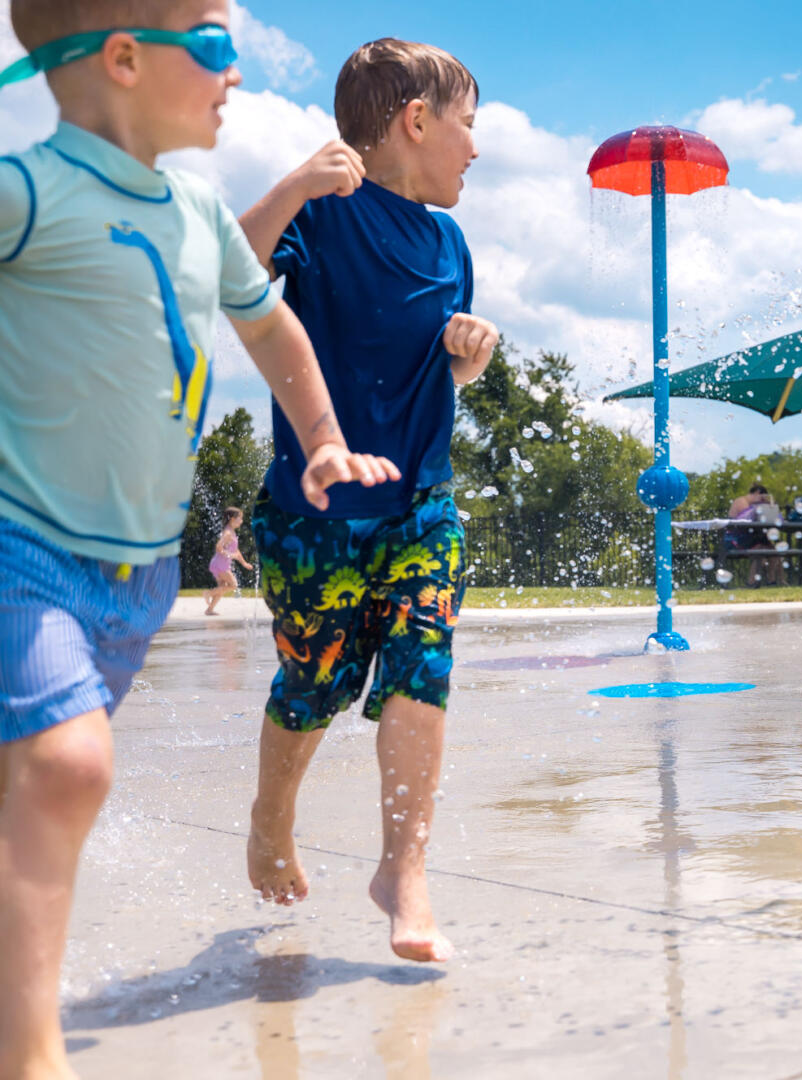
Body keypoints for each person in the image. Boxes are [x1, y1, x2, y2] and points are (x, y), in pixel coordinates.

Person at [0, 2, 396, 1075]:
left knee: (39, 783)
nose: (236, 71)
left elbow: (271, 329)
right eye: (216, 45)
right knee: (66, 768)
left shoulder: (201, 212)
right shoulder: (26, 193)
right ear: (122, 59)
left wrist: (321, 440)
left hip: (136, 577)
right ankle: (29, 1051)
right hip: (21, 547)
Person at [235, 38, 498, 964]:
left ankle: (406, 868)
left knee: (422, 663)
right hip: (311, 516)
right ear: (415, 121)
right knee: (316, 683)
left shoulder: (450, 241)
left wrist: (466, 357)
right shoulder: (326, 214)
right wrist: (293, 187)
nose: (475, 148)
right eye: (467, 125)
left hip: (421, 504)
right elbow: (228, 272)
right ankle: (271, 817)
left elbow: (431, 378)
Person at [726, 483, 788, 587]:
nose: (762, 502)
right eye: (762, 499)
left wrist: (771, 509)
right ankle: (751, 582)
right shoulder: (741, 501)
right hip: (735, 540)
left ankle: (773, 581)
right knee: (760, 550)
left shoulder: (754, 505)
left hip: (750, 538)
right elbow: (748, 519)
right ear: (757, 493)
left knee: (773, 550)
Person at [203, 506, 253, 615]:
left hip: (219, 564)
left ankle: (209, 610)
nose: (242, 521)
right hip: (220, 565)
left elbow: (237, 551)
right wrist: (230, 555)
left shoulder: (231, 532)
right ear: (232, 519)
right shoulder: (228, 533)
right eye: (240, 518)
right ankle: (209, 593)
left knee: (222, 588)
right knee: (234, 585)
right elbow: (218, 547)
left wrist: (244, 563)